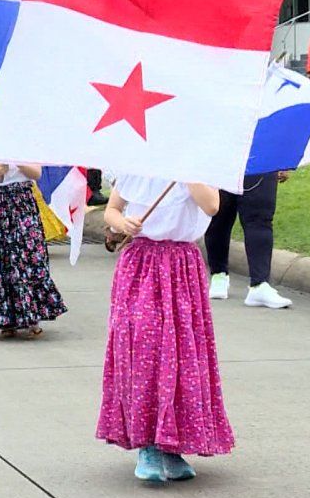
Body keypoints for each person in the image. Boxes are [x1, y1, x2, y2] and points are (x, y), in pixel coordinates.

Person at [98, 177, 233, 482]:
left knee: (183, 355)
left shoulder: (195, 170)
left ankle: (171, 445)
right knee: (144, 350)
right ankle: (147, 444)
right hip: (140, 265)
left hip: (181, 266)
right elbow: (111, 211)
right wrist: (124, 223)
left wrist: (186, 169)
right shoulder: (138, 167)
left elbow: (212, 206)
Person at [0, 160, 67, 338]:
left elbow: (37, 173)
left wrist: (19, 164)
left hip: (22, 199)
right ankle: (5, 320)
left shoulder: (22, 140)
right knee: (0, 258)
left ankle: (32, 315)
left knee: (29, 256)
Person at [204, 171, 294, 309]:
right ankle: (219, 274)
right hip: (224, 159)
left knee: (260, 218)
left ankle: (260, 284)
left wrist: (283, 162)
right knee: (219, 216)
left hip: (261, 161)